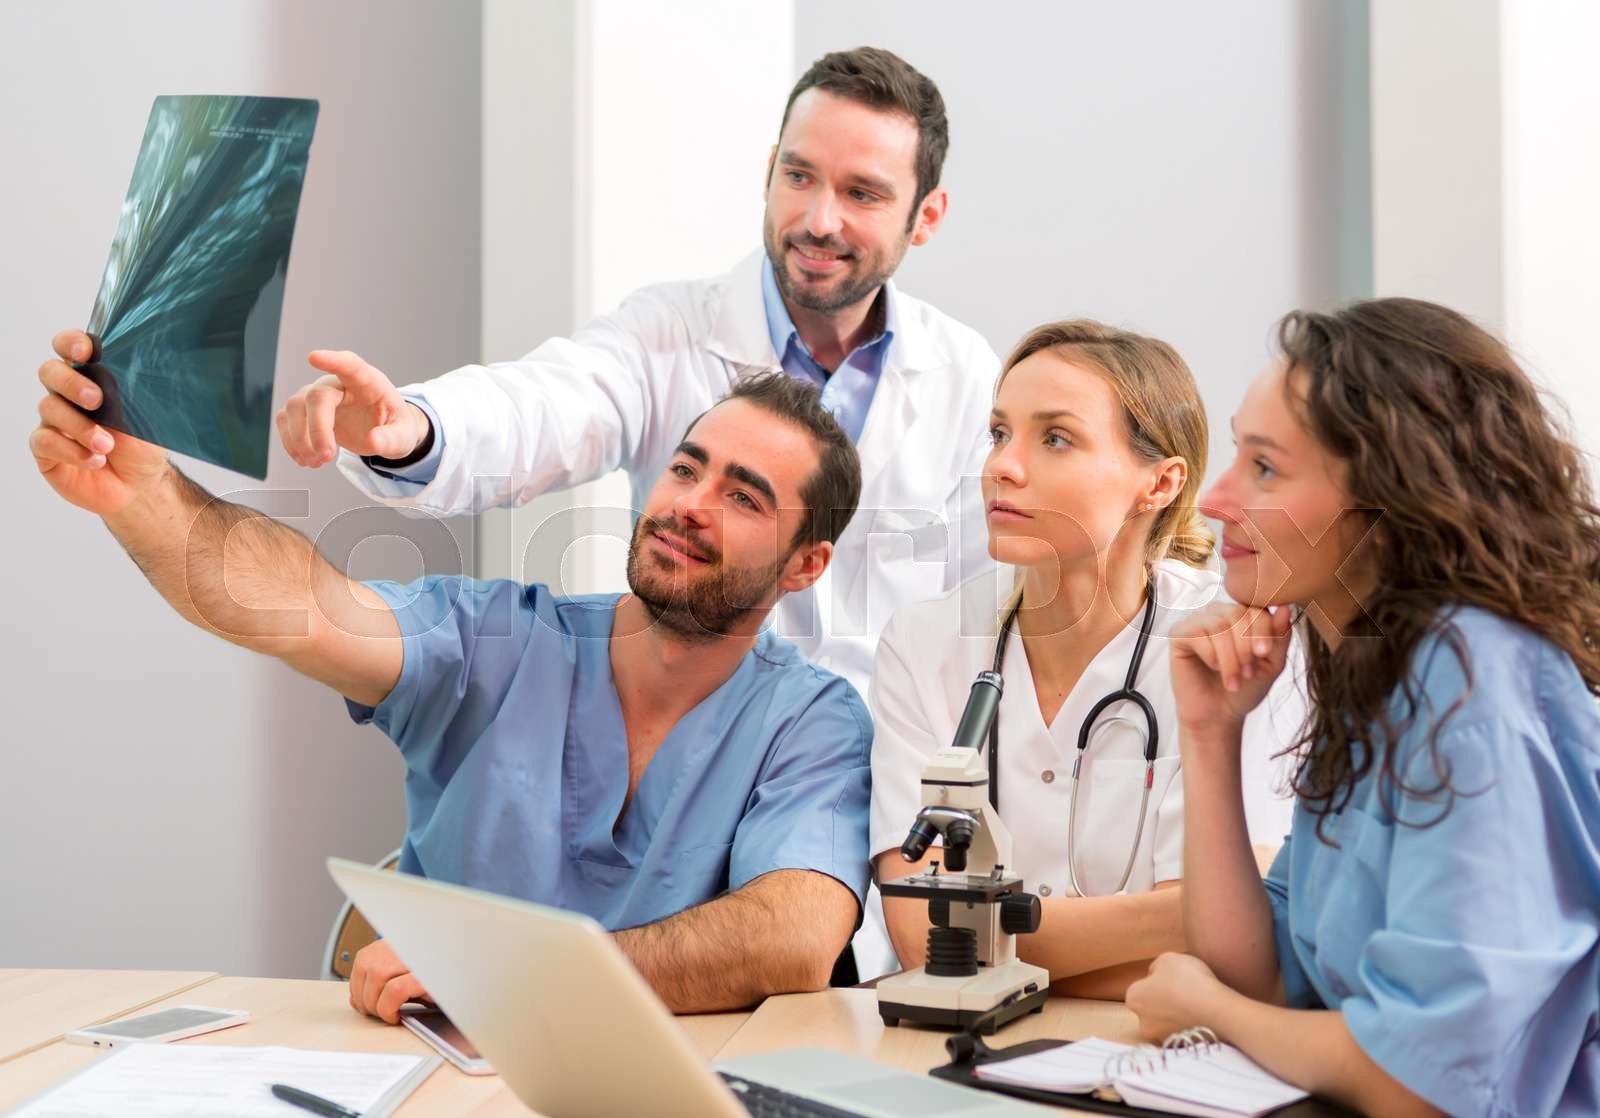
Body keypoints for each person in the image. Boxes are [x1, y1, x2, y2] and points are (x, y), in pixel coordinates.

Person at [277, 46, 998, 979]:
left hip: (842, 823)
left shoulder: (966, 378)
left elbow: (980, 629)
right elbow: (545, 402)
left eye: (862, 193)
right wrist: (409, 428)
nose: (819, 219)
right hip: (681, 809)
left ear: (925, 215)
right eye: (798, 176)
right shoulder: (671, 332)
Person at [31, 336, 873, 1022]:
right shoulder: (495, 642)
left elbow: (794, 938)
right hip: (431, 1079)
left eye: (744, 498)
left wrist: (506, 976)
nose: (689, 503)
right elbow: (299, 605)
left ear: (806, 564)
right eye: (686, 469)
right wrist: (144, 494)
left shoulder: (810, 720)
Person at [1125, 299, 1600, 1116]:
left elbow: (1423, 1086)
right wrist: (1209, 733)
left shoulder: (1472, 681)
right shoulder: (1376, 673)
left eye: (1266, 469)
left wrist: (1214, 1014)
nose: (1214, 500)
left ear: (1394, 499)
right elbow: (1265, 974)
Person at [871, 321, 1296, 998]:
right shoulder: (924, 643)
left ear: (1159, 484)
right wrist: (1178, 919)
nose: (1003, 467)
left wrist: (988, 941)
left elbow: (1236, 951)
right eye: (1000, 433)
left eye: (1055, 439)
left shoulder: (1228, 645)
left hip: (1155, 1046)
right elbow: (923, 937)